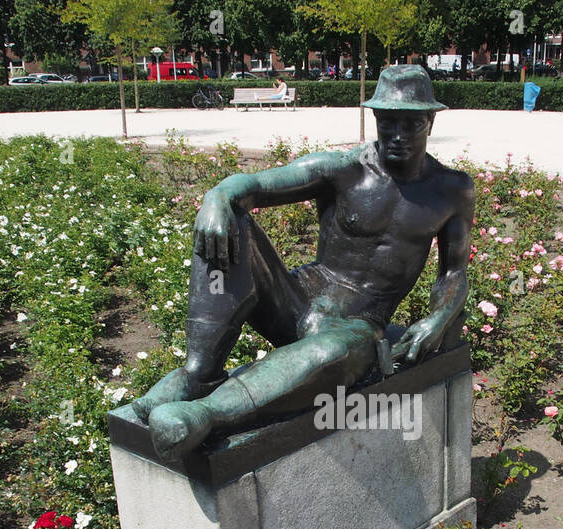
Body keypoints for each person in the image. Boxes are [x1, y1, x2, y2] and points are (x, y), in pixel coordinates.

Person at [130, 64, 474, 462]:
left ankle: (205, 413)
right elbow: (253, 185)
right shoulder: (343, 170)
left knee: (335, 352)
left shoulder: (452, 191)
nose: (397, 135)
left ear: (430, 121)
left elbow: (453, 273)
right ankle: (199, 373)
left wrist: (439, 317)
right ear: (375, 118)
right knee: (231, 220)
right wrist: (219, 196)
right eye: (388, 122)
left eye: (410, 124)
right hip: (295, 302)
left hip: (357, 324)